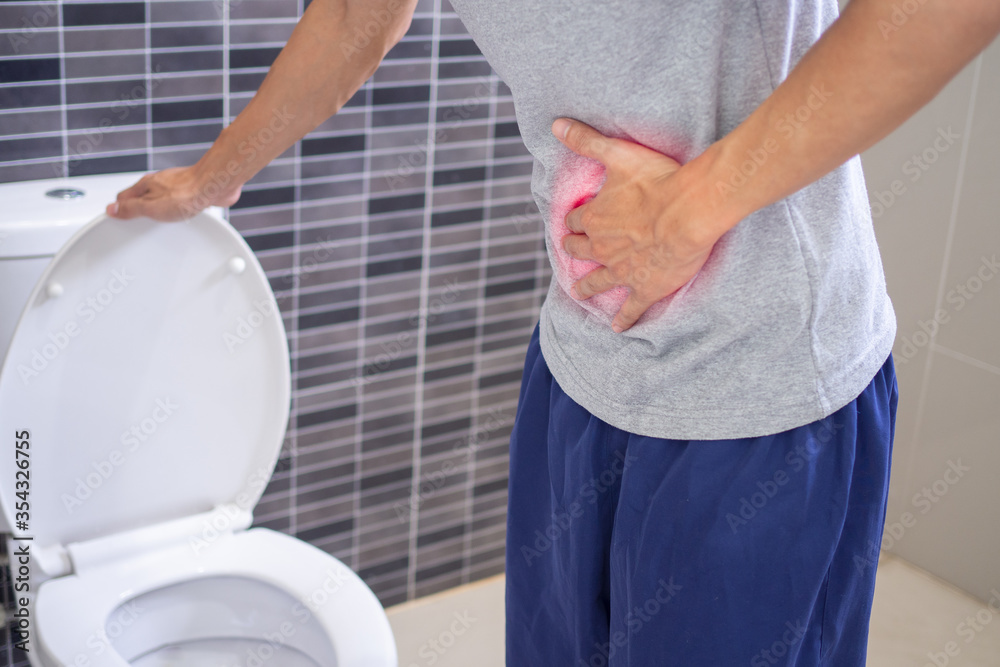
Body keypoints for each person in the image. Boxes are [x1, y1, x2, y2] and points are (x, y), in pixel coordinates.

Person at [108, 0, 1000, 664]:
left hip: (758, 397)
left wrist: (697, 204)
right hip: (581, 367)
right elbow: (355, 10)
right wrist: (216, 176)